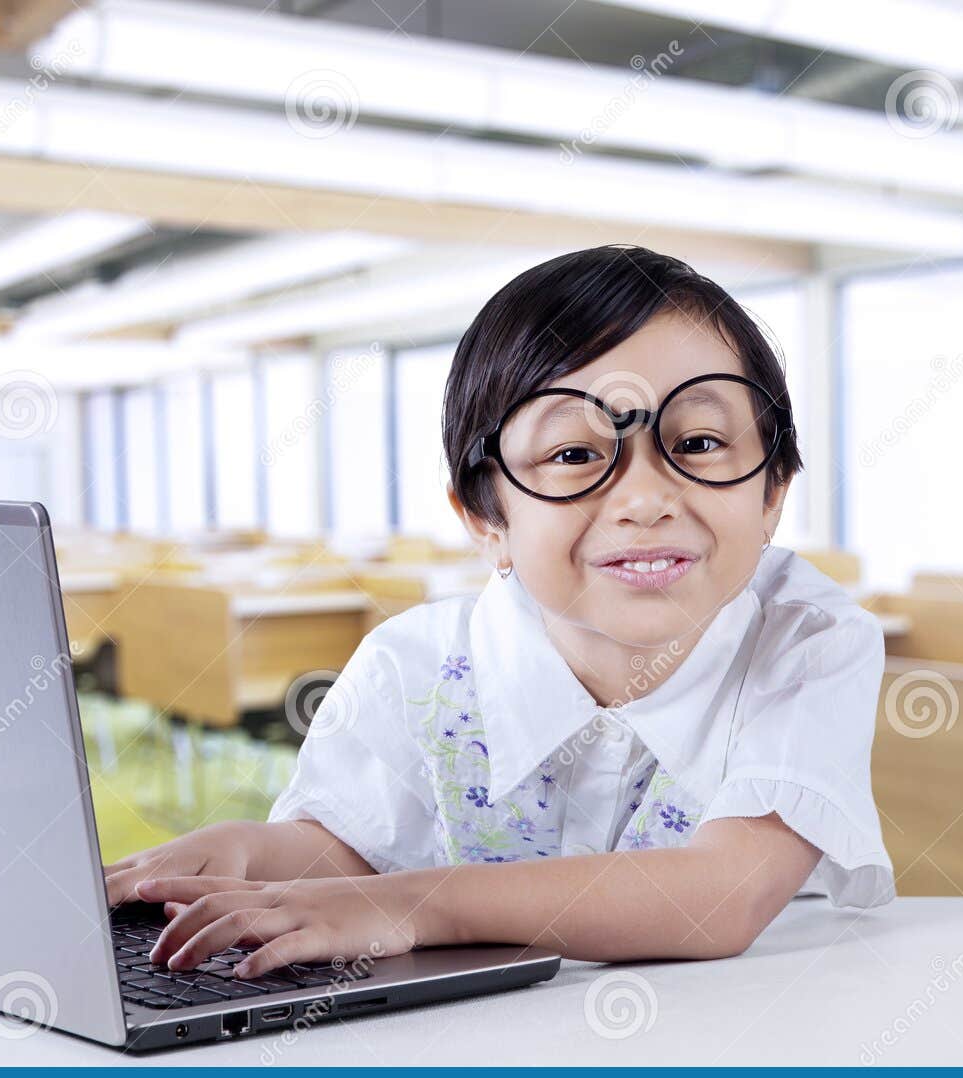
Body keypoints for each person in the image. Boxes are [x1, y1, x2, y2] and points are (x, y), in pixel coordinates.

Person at [105, 244, 894, 979]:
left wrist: (417, 904)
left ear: (772, 492)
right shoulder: (410, 666)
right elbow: (348, 848)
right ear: (486, 518)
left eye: (698, 443)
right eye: (575, 454)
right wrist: (250, 850)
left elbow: (722, 893)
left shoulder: (810, 645)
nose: (647, 498)